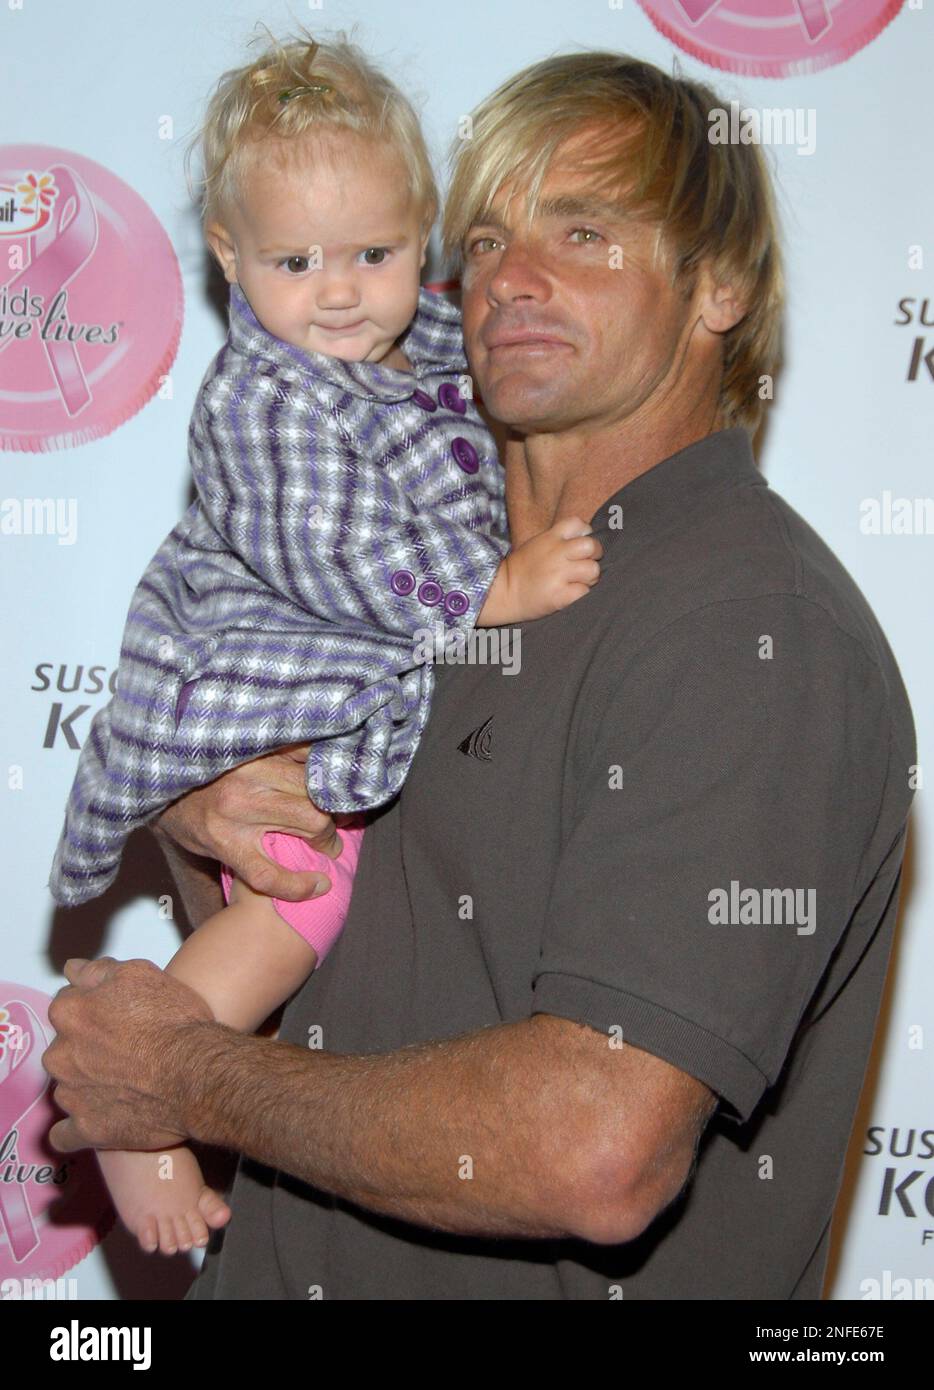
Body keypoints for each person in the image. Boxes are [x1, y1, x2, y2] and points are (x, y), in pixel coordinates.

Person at [44, 50, 916, 1300]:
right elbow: (307, 962)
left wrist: (182, 1078)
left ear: (718, 283)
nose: (513, 274)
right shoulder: (411, 565)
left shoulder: (749, 626)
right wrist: (205, 802)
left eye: (585, 229)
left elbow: (592, 1149)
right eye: (491, 233)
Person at [45, 34, 601, 1258]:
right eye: (296, 262)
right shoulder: (263, 395)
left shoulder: (435, 356)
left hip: (355, 676)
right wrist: (492, 589)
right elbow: (330, 556)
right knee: (303, 893)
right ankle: (143, 1092)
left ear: (426, 246)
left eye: (376, 253)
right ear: (231, 263)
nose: (338, 290)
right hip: (267, 674)